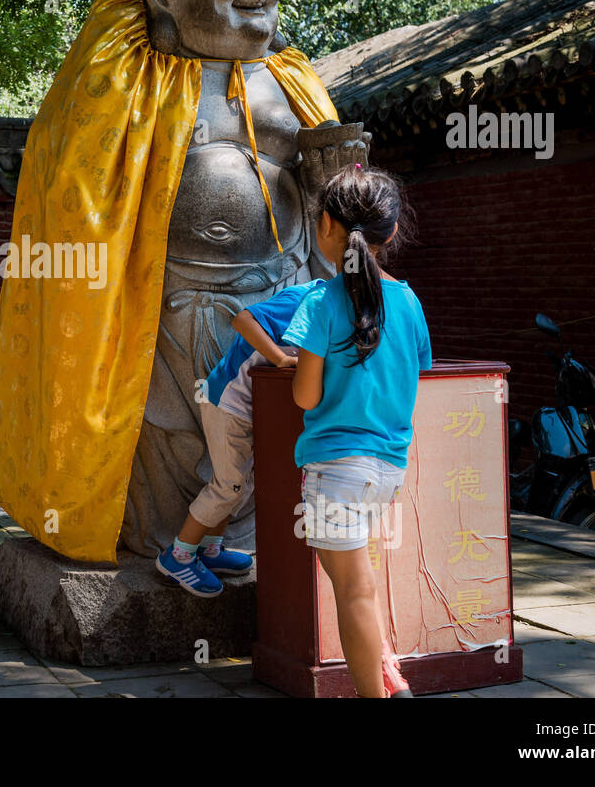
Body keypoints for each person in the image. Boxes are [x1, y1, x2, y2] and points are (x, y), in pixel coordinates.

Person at [281, 164, 430, 698]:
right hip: (387, 471)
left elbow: (305, 397)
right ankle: (389, 679)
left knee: (352, 593)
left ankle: (375, 695)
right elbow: (412, 377)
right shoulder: (410, 303)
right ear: (391, 233)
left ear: (324, 225)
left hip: (336, 470)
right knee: (361, 583)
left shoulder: (320, 301)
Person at [156, 279, 323, 597]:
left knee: (240, 485)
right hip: (228, 402)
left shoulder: (324, 304)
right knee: (228, 486)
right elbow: (243, 319)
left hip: (245, 405)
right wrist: (280, 358)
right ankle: (178, 556)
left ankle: (211, 549)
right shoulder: (309, 300)